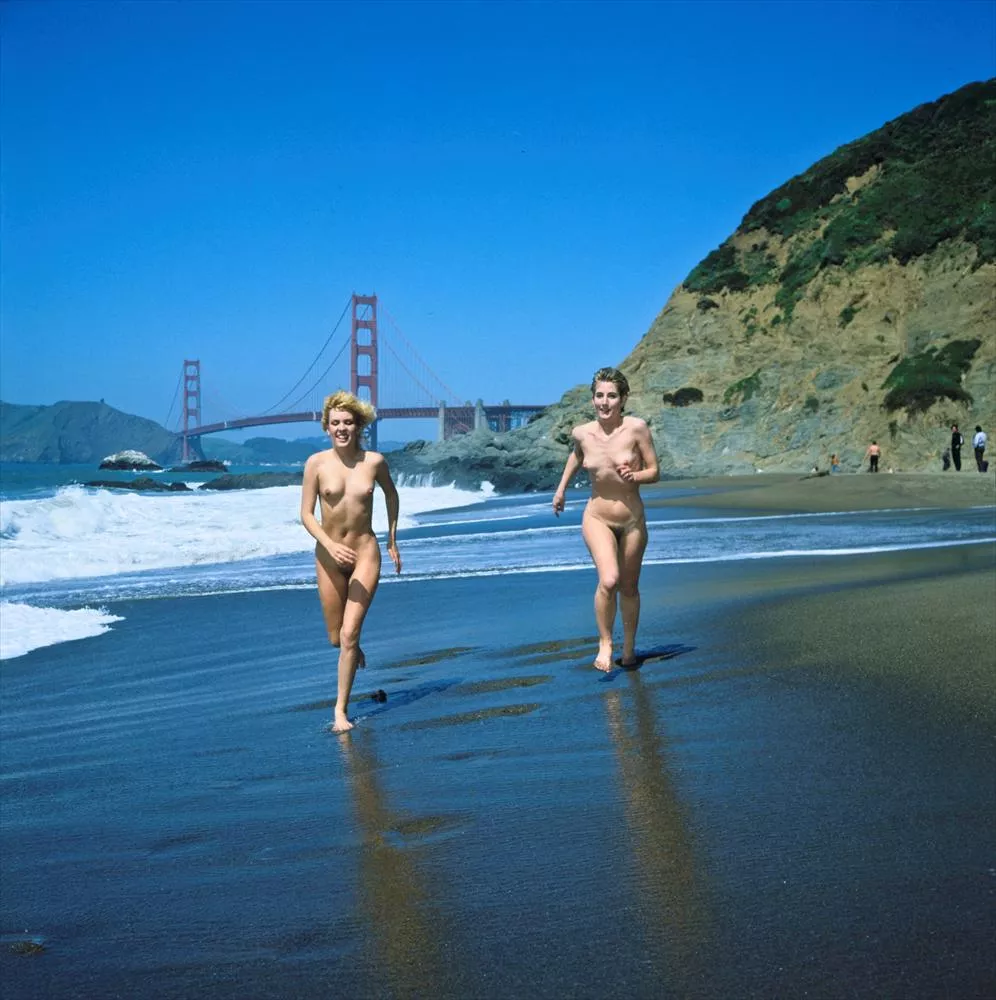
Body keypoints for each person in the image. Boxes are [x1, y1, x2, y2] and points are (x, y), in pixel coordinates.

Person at [301, 390, 402, 732]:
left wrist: (392, 539)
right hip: (328, 555)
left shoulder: (374, 462)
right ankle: (353, 648)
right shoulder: (316, 464)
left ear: (358, 426)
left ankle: (340, 711)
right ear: (326, 427)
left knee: (348, 634)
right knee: (336, 638)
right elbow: (306, 514)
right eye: (335, 423)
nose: (341, 428)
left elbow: (391, 494)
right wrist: (329, 544)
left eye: (347, 422)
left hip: (365, 554)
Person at [552, 367, 659, 671]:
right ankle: (605, 643)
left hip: (632, 521)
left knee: (629, 587)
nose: (604, 402)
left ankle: (629, 648)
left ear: (623, 399)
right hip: (597, 517)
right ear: (592, 399)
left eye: (612, 396)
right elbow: (577, 455)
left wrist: (636, 475)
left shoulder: (637, 429)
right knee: (609, 580)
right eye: (599, 395)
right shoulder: (583, 433)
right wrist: (561, 490)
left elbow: (655, 471)